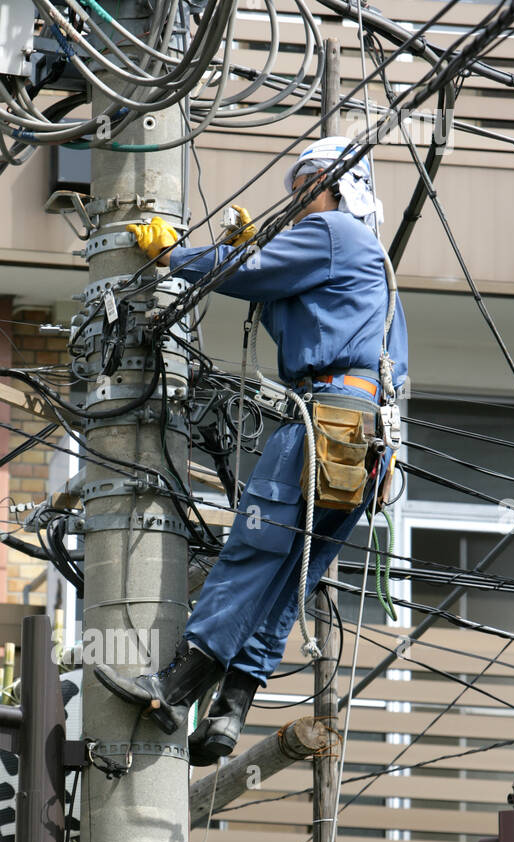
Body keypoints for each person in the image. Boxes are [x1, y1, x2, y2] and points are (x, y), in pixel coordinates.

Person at [94, 137, 409, 764]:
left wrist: (178, 255)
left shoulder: (334, 233)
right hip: (365, 445)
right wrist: (245, 252)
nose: (295, 205)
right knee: (287, 576)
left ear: (337, 187)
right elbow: (280, 294)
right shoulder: (371, 265)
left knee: (251, 554)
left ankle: (174, 691)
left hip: (319, 424)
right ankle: (230, 712)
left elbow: (250, 278)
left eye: (304, 189)